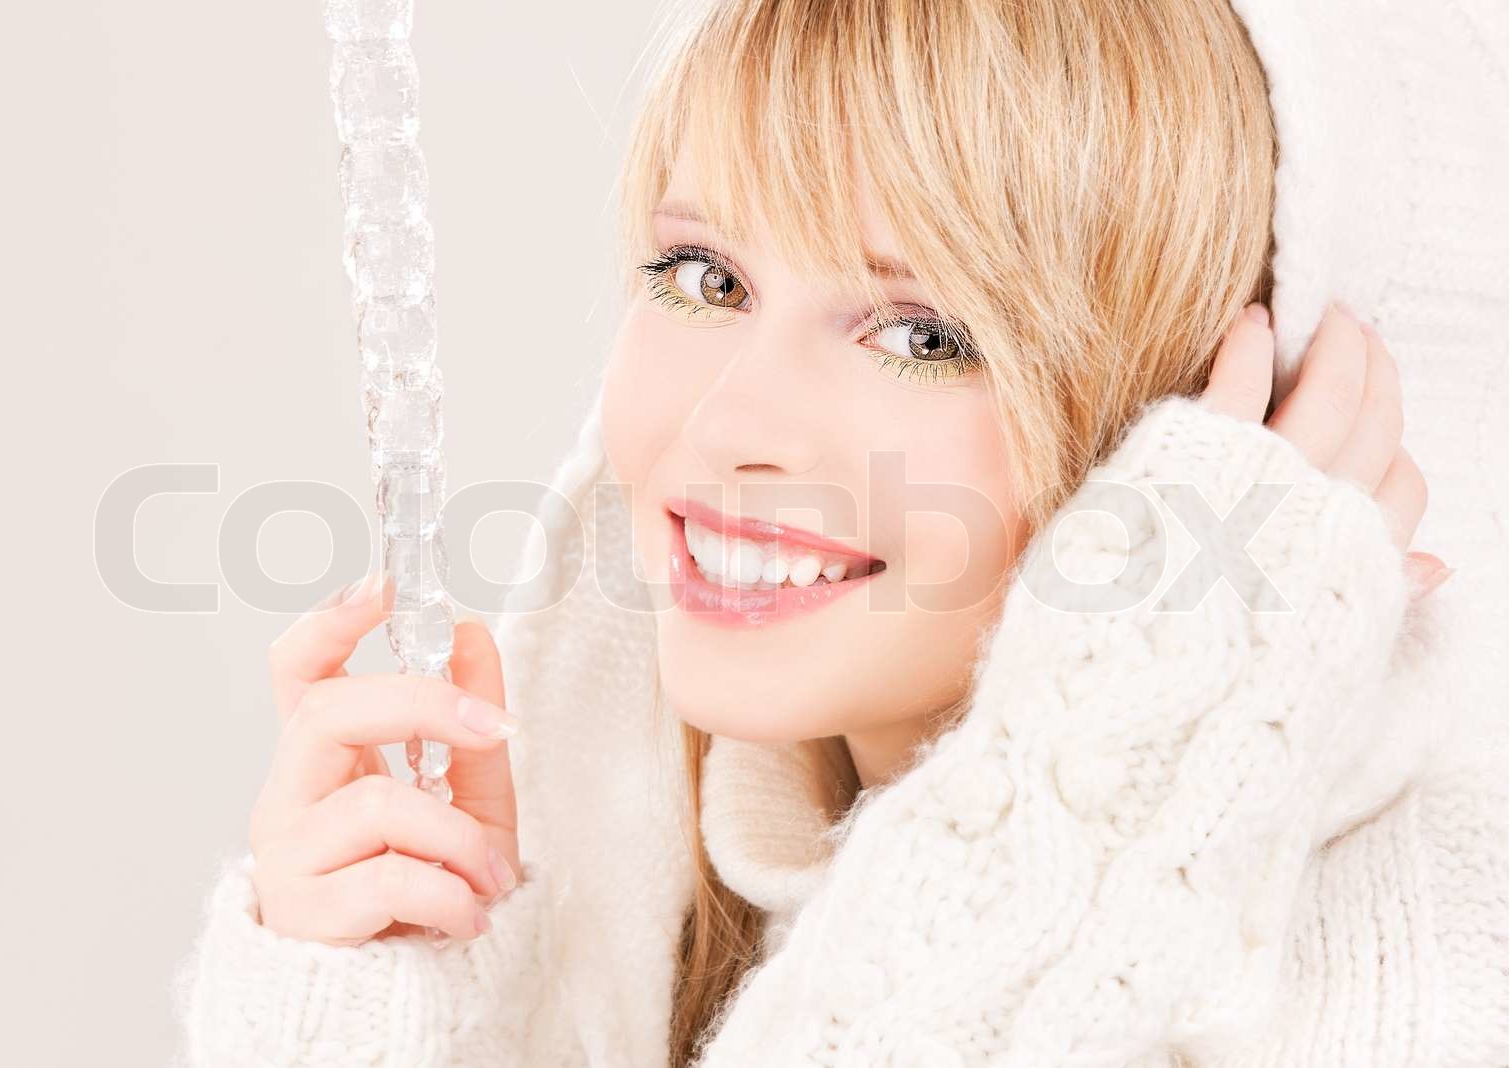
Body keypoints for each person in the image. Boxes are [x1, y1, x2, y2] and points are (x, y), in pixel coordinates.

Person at [175, 0, 1509, 1064]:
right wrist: (399, 1021)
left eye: (924, 334)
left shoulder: (1429, 978)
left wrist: (1107, 773)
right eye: (707, 278)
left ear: (1244, 434)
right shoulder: (690, 890)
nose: (724, 420)